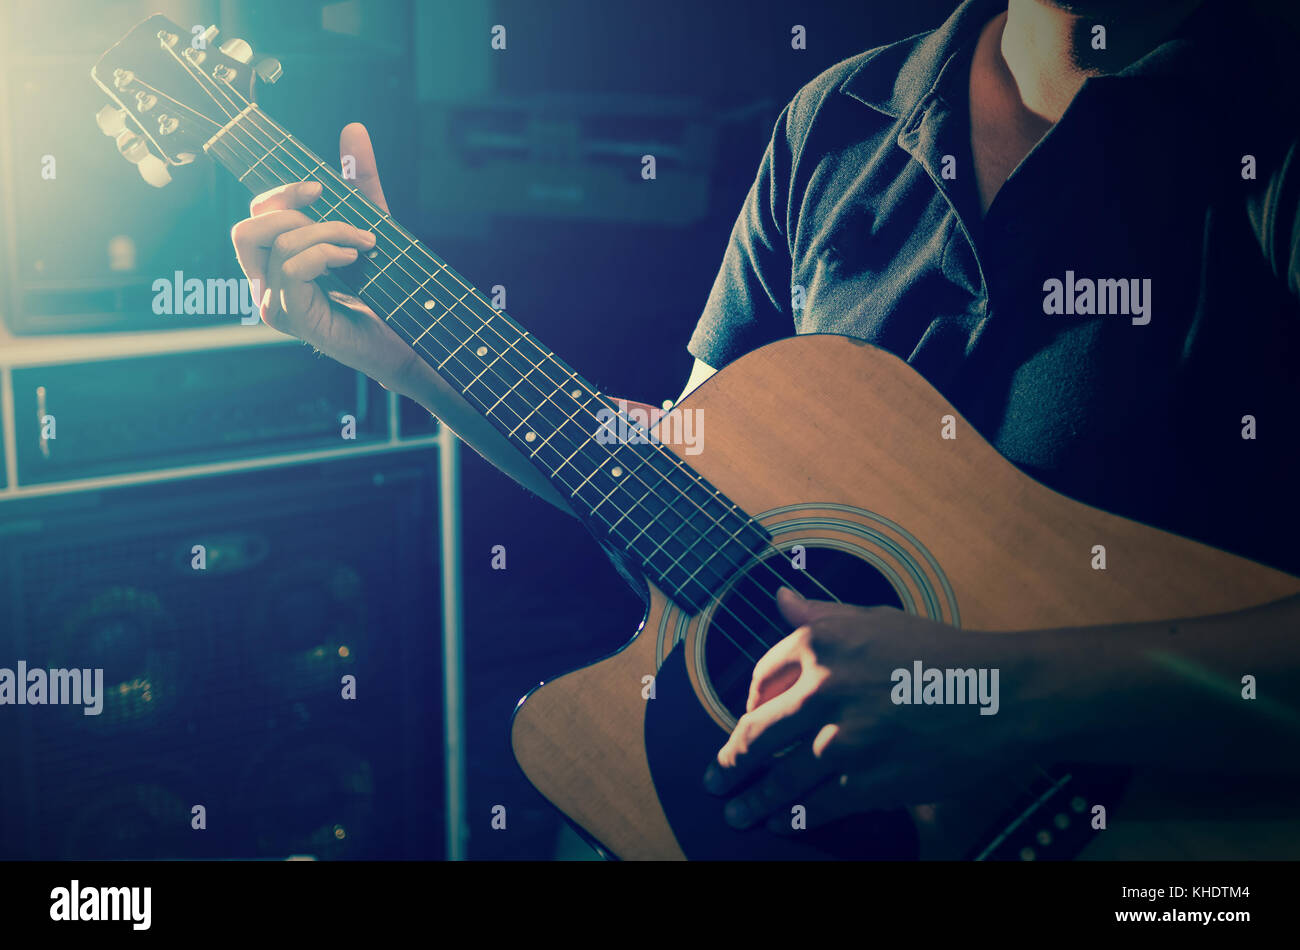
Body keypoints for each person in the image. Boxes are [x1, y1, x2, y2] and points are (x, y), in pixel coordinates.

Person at [231, 0, 1300, 857]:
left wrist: (993, 696)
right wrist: (403, 355)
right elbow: (687, 492)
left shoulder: (1272, 128)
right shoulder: (833, 121)